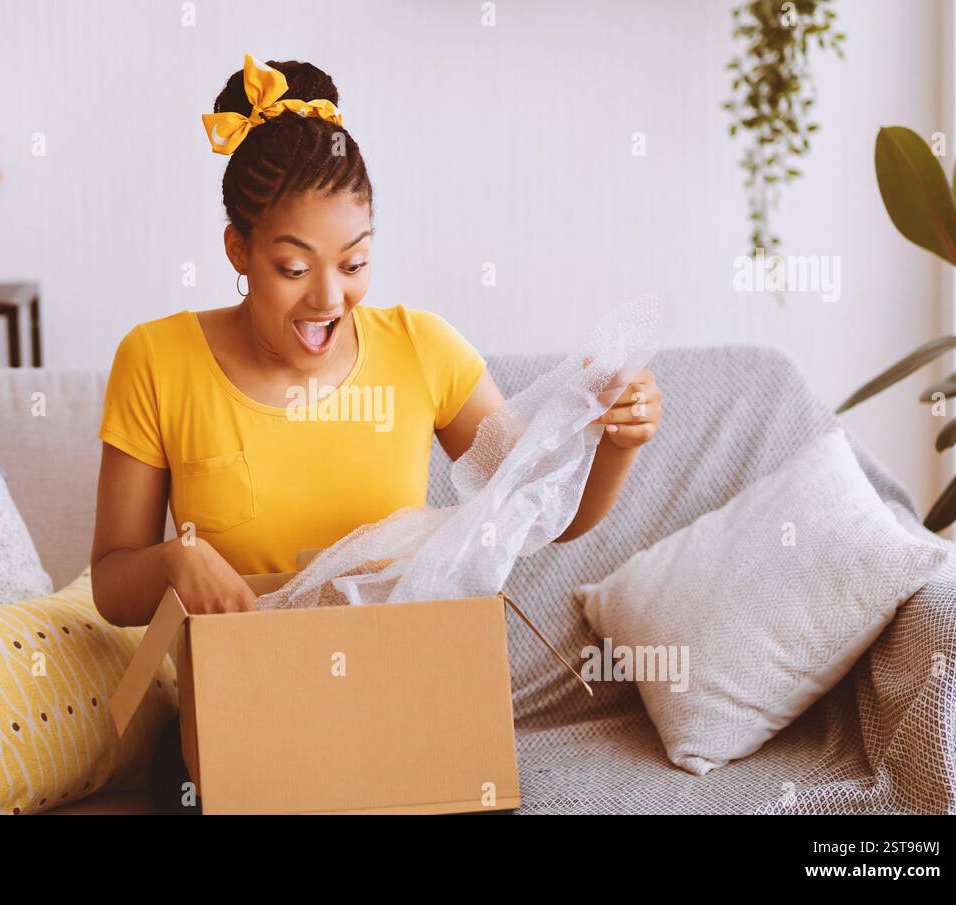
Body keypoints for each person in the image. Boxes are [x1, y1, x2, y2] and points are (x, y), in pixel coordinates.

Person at [90, 54, 663, 813]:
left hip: (401, 713)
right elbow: (110, 585)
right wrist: (173, 558)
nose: (330, 298)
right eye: (294, 267)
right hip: (241, 721)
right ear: (239, 251)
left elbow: (539, 513)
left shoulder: (424, 350)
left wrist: (615, 444)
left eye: (354, 261)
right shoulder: (155, 360)